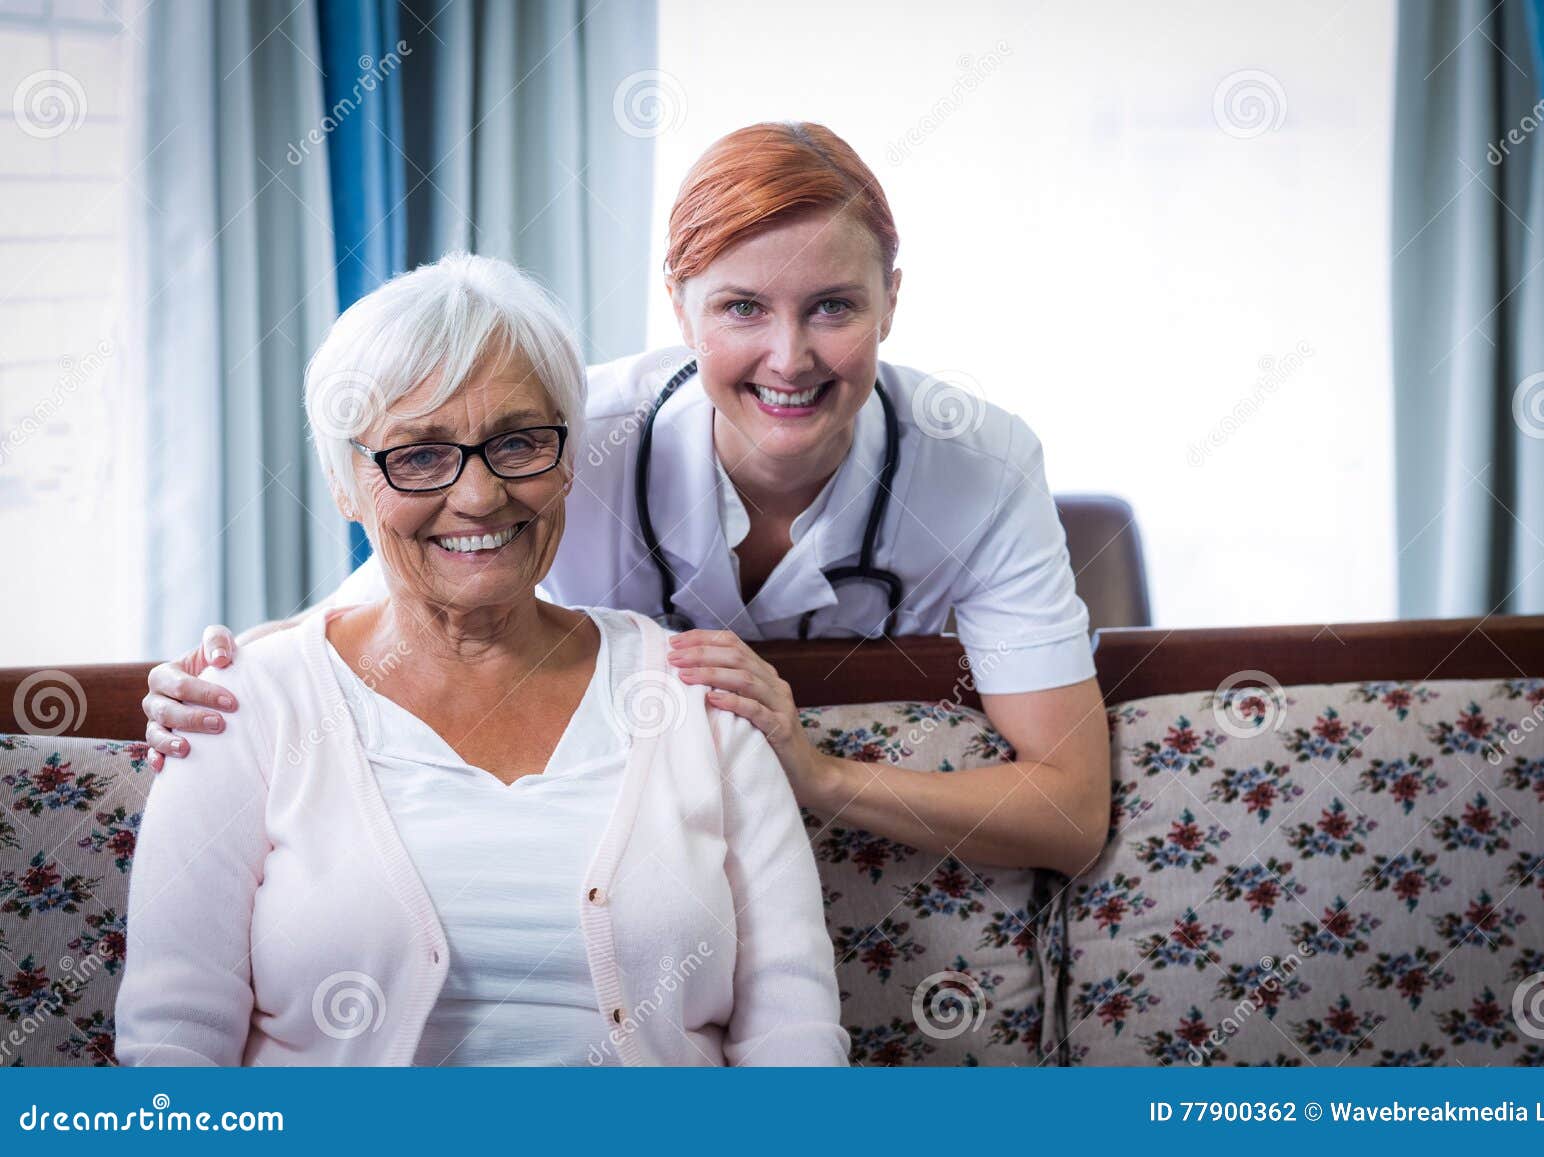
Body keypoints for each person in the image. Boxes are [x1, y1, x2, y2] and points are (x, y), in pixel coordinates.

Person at [141, 121, 1111, 877]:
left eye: (833, 306)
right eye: (741, 307)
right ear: (677, 301)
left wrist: (820, 773)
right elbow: (376, 609)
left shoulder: (979, 464)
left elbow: (1069, 813)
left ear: (889, 300)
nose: (788, 357)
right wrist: (224, 681)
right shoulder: (560, 440)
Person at [115, 253, 848, 1066]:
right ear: (345, 482)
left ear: (568, 458)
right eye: (419, 454)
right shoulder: (239, 707)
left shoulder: (697, 697)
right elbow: (172, 1047)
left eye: (519, 442)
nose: (479, 495)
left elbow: (795, 1037)